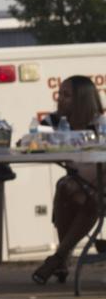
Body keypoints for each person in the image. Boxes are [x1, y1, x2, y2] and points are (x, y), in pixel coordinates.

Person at [32, 75, 105, 284]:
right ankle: (61, 259)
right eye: (60, 93)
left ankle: (58, 258)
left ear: (82, 99)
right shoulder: (52, 121)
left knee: (87, 199)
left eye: (67, 95)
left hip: (99, 186)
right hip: (78, 185)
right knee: (65, 187)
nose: (60, 98)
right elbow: (33, 143)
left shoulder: (99, 125)